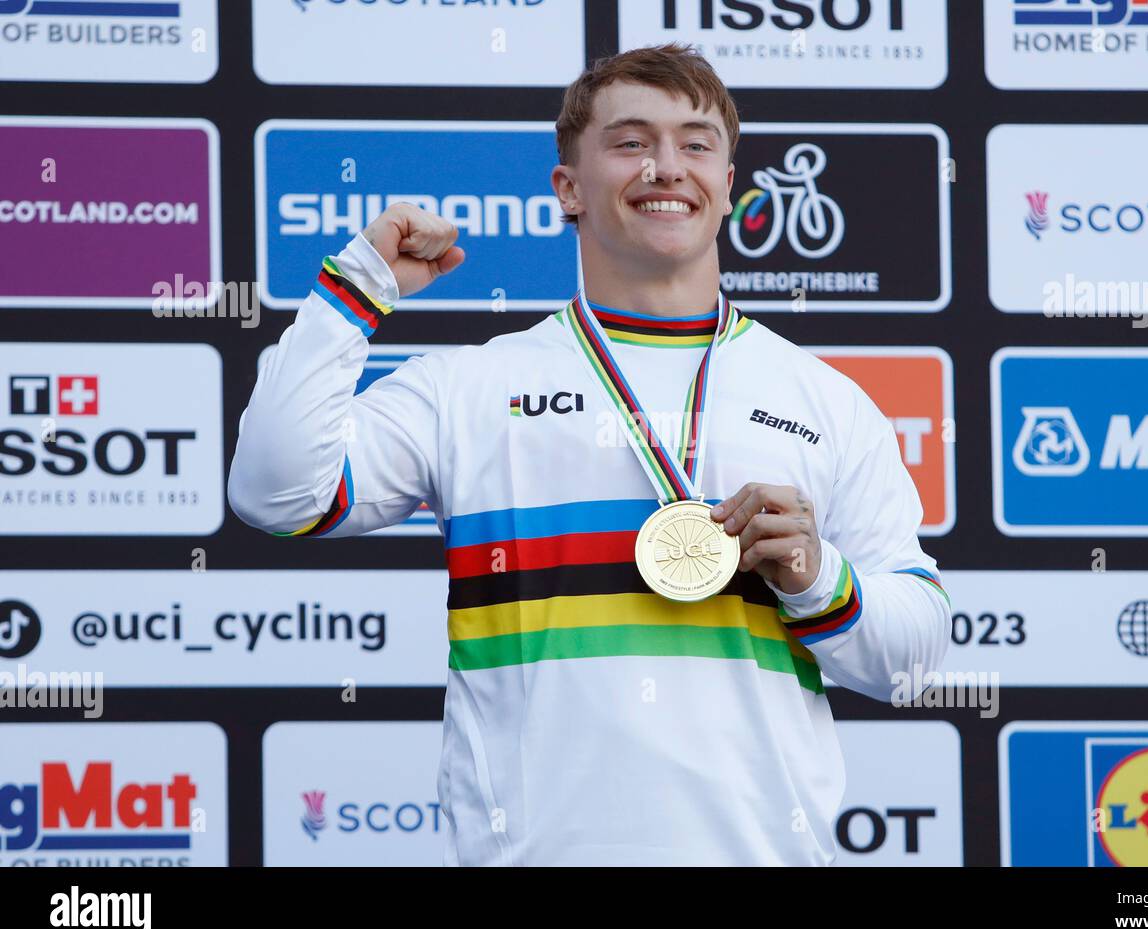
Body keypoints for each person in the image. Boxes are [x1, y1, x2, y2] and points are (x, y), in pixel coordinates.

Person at [228, 42, 950, 866]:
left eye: (696, 143)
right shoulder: (470, 387)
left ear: (727, 184)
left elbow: (915, 661)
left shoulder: (825, 400)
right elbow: (275, 491)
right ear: (567, 188)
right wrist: (357, 289)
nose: (667, 167)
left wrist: (819, 579)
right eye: (631, 142)